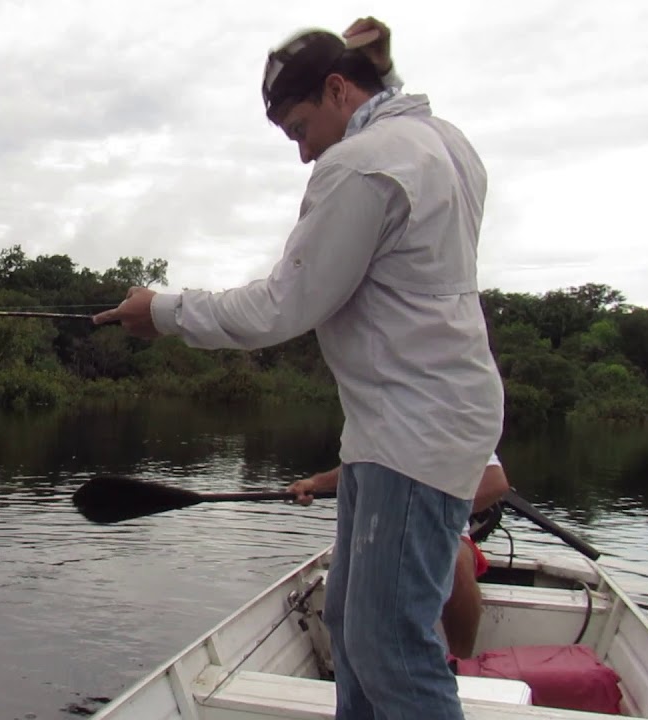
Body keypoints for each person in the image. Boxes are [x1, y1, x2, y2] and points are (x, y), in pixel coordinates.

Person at [92, 16, 504, 720]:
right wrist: (383, 71)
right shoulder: (445, 144)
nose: (304, 153)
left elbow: (283, 308)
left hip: (413, 432)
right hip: (404, 428)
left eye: (300, 129)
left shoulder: (362, 163)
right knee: (351, 624)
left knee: (390, 649)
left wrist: (161, 311)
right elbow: (398, 108)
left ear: (340, 89)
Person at [289, 453, 511, 659]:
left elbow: (495, 484)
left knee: (458, 564)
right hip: (377, 532)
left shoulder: (451, 421)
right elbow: (358, 463)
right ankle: (355, 666)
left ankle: (460, 661)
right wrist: (315, 484)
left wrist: (437, 513)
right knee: (341, 600)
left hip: (440, 529)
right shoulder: (381, 425)